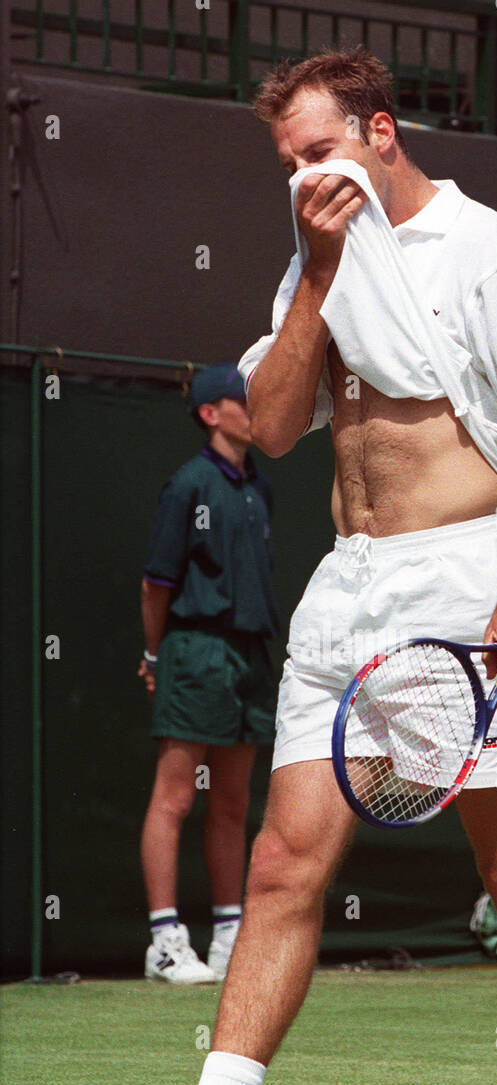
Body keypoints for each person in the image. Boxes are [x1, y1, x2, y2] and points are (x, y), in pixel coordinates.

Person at [50, 51, 497, 1085]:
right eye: (287, 164)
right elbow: (269, 426)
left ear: (379, 131)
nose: (304, 176)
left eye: (321, 151)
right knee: (278, 867)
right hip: (345, 593)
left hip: (463, 579)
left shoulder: (491, 250)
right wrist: (316, 270)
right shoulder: (318, 255)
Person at [138, 363, 279, 984]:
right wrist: (153, 654)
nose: (257, 409)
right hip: (194, 651)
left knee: (232, 802)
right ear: (210, 413)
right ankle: (165, 941)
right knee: (175, 797)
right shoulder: (188, 485)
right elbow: (156, 582)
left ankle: (228, 938)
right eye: (243, 400)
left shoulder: (259, 488)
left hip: (250, 655)